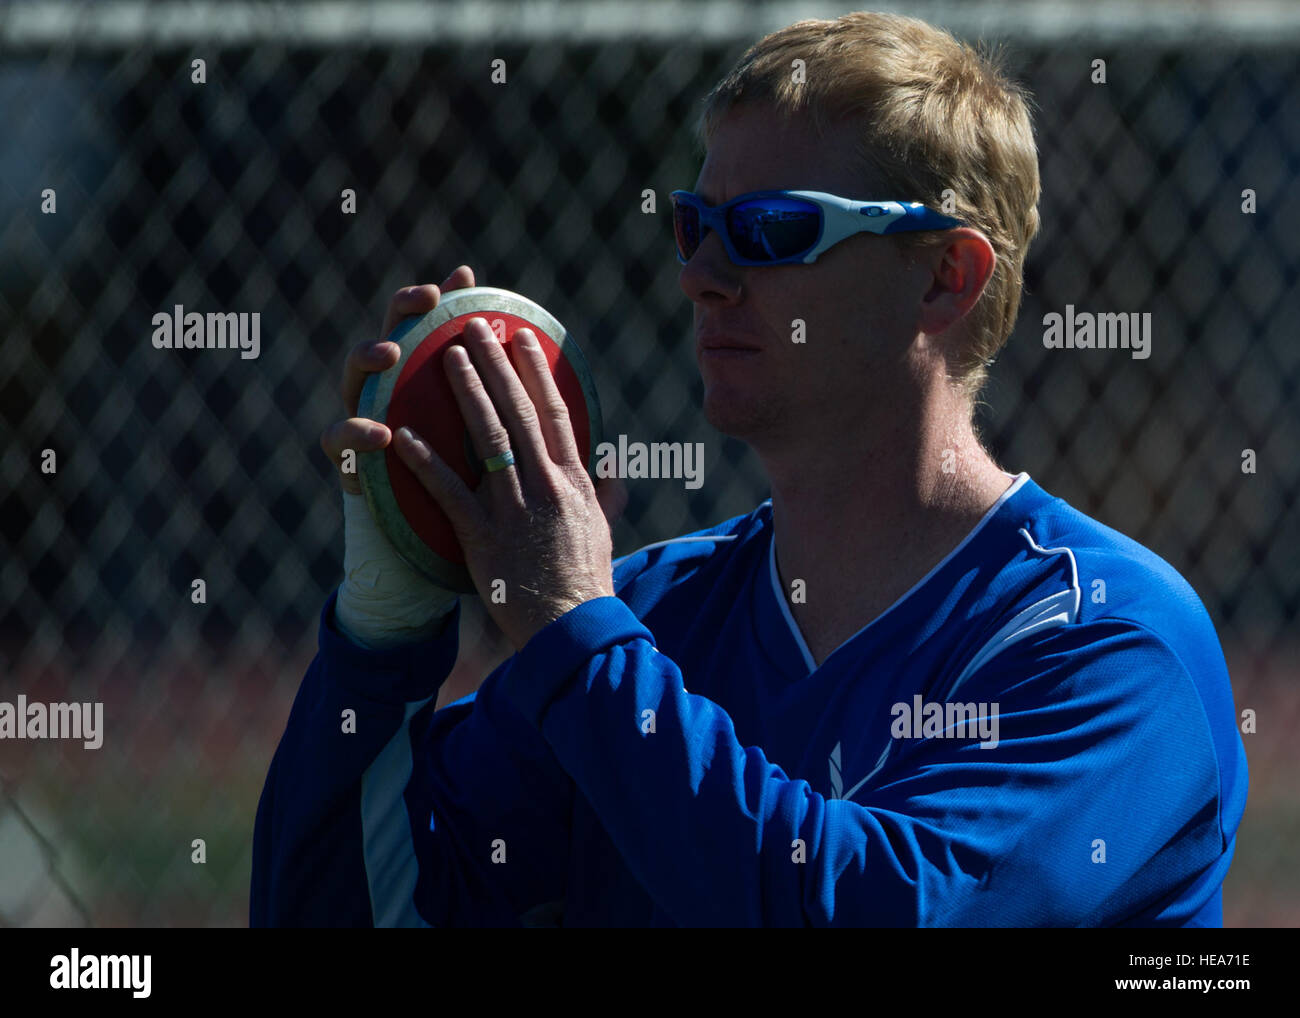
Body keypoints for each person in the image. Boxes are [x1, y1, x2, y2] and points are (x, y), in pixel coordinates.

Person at [252, 11, 1247, 926]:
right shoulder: (647, 614)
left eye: (773, 230)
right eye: (697, 223)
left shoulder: (1109, 636)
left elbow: (876, 909)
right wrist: (386, 627)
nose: (702, 275)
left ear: (946, 277)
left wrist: (571, 630)